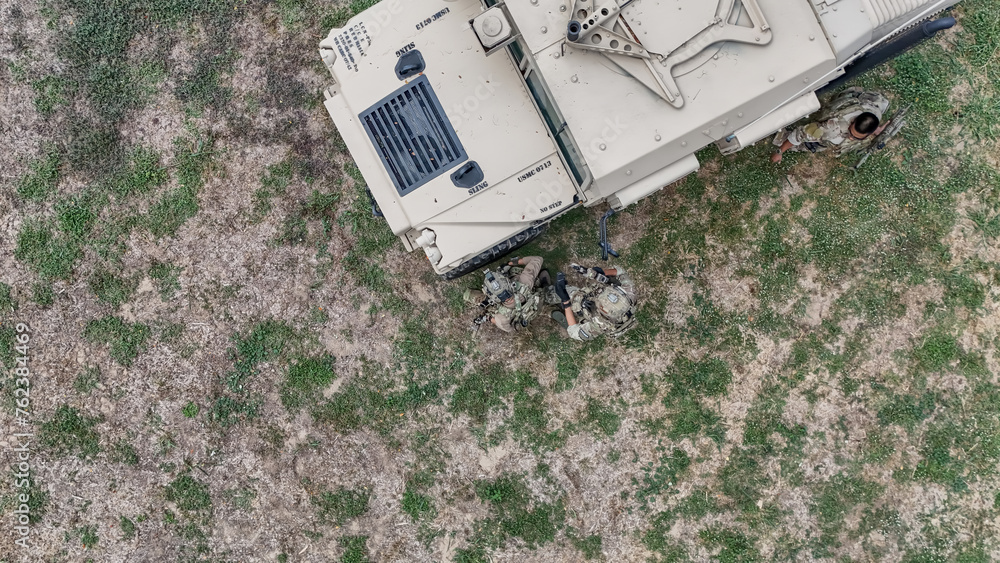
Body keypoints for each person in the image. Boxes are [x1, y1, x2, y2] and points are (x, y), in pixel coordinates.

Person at [771, 87, 890, 163]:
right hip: (827, 130)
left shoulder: (875, 112)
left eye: (856, 137)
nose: (850, 138)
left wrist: (876, 129)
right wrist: (779, 152)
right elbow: (798, 135)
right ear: (853, 120)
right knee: (802, 144)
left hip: (853, 106)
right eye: (851, 132)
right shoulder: (832, 129)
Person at [551, 263, 637, 341]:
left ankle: (548, 296)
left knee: (572, 296)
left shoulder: (600, 325)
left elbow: (574, 332)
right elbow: (621, 273)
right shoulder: (630, 294)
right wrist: (601, 273)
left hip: (601, 320)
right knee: (592, 291)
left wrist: (566, 302)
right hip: (616, 314)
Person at [465, 256, 549, 333]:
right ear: (508, 282)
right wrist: (511, 263)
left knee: (474, 297)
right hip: (535, 302)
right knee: (544, 292)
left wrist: (488, 318)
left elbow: (510, 329)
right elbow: (538, 259)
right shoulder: (525, 282)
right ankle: (545, 286)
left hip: (521, 315)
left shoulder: (501, 318)